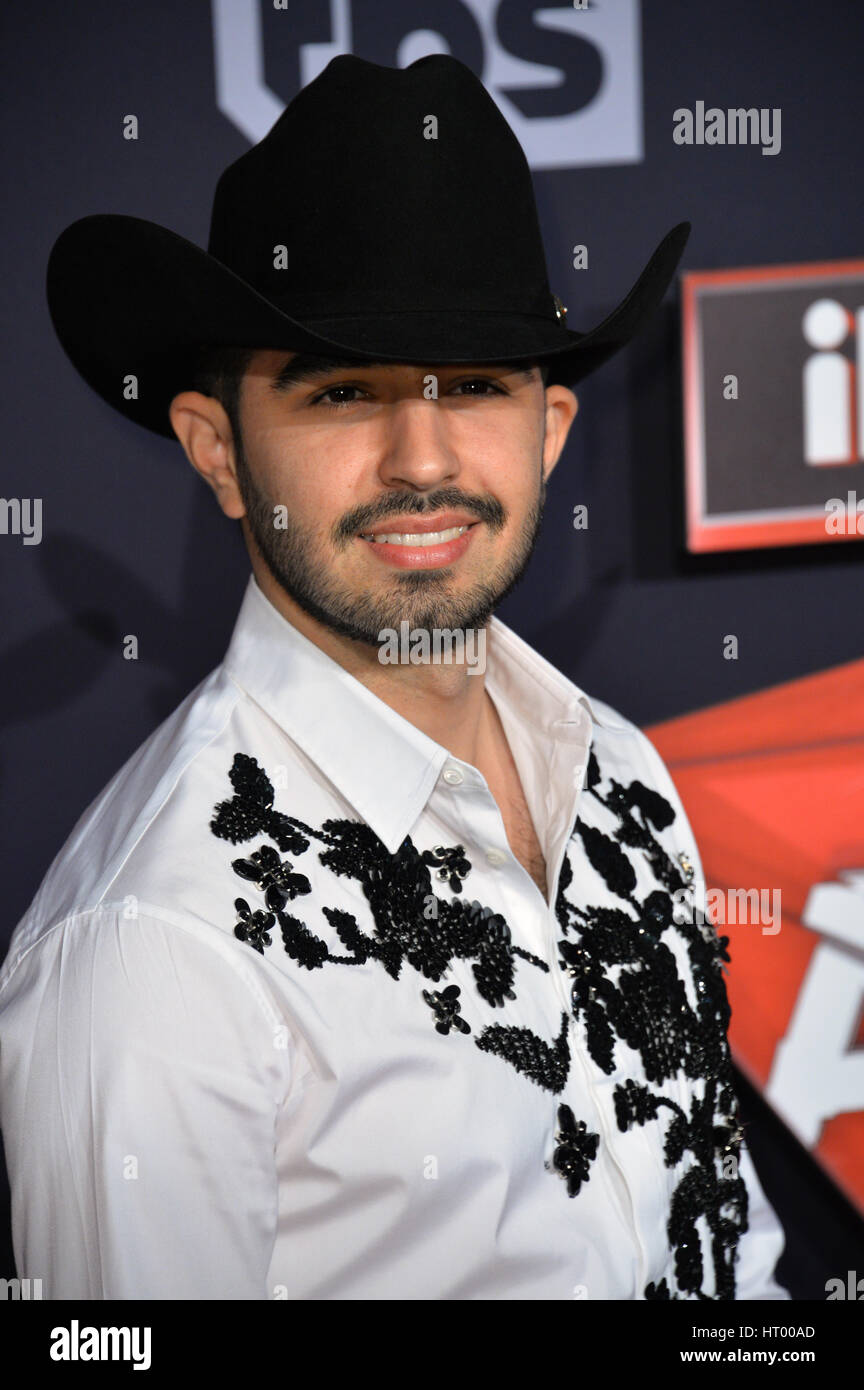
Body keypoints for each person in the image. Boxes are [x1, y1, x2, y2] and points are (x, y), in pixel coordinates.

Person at [0, 53, 789, 1300]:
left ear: (548, 431)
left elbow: (727, 1258)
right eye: (344, 391)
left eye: (472, 384)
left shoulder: (628, 779)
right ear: (217, 451)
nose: (421, 458)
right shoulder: (153, 948)